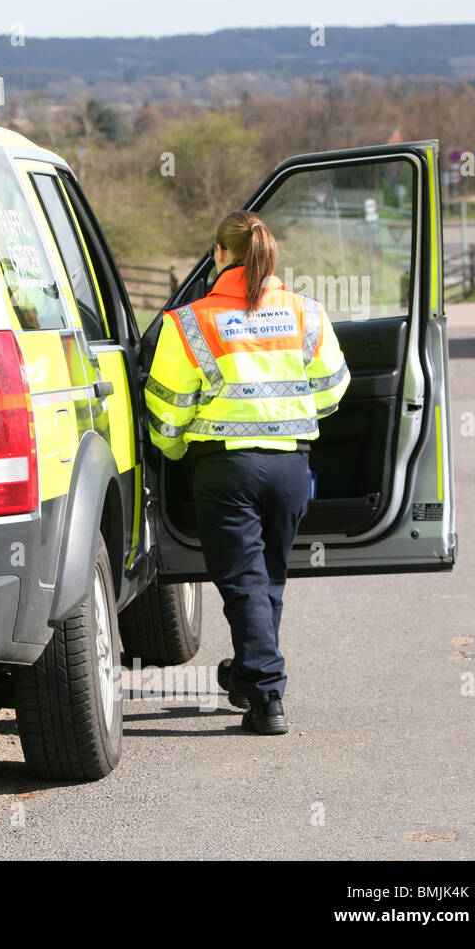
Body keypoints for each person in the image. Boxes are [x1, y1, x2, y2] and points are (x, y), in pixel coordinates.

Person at [144, 211, 349, 734]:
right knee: (266, 580)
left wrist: (168, 450)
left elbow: (168, 409)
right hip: (289, 465)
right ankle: (246, 676)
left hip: (226, 469)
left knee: (243, 583)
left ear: (219, 254)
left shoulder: (188, 322)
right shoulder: (306, 313)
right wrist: (292, 418)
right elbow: (331, 389)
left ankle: (266, 697)